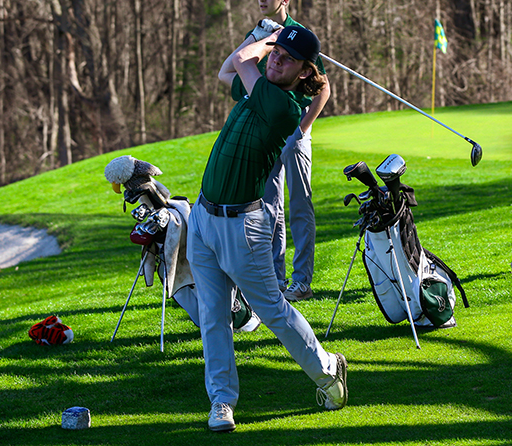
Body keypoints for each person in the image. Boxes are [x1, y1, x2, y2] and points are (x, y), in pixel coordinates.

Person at [186, 26, 347, 433]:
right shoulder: (257, 89)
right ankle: (222, 402)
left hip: (244, 226)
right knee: (212, 317)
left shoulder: (283, 105)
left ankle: (328, 371)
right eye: (276, 54)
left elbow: (241, 60)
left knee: (273, 310)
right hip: (204, 217)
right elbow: (228, 68)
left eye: (287, 57)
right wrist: (275, 40)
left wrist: (269, 38)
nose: (276, 59)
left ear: (304, 72)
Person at [250, 0, 331, 301]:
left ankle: (302, 281)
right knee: (271, 208)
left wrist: (302, 128)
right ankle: (276, 279)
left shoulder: (300, 34)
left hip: (294, 134)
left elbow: (324, 88)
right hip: (270, 134)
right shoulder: (261, 33)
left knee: (299, 206)